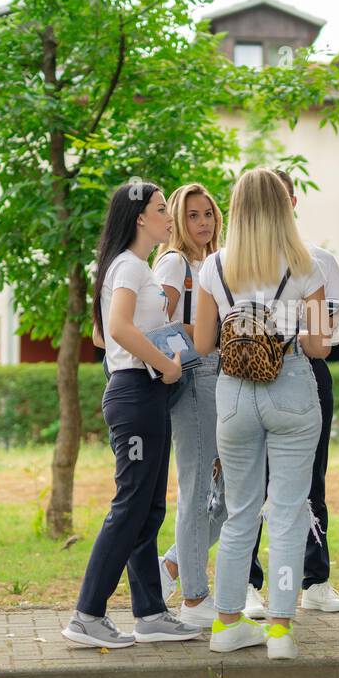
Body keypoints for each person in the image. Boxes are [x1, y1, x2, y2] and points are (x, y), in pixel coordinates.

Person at [192, 167, 333, 660]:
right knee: (290, 514)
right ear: (282, 206)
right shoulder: (306, 263)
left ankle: (228, 624)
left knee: (238, 512)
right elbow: (318, 345)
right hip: (291, 384)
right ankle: (279, 632)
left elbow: (204, 343)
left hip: (232, 394)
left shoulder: (214, 267)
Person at [62, 181, 201, 649]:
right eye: (164, 209)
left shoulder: (129, 267)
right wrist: (164, 363)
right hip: (136, 395)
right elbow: (117, 328)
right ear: (141, 217)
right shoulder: (129, 267)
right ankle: (87, 615)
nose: (170, 217)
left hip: (144, 393)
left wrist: (164, 344)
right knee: (128, 508)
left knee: (148, 508)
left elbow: (104, 336)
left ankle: (151, 614)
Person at [241, 169, 339, 616]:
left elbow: (336, 328)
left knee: (312, 478)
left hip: (309, 371)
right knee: (251, 480)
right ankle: (247, 583)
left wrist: (323, 326)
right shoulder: (237, 259)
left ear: (293, 202)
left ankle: (315, 580)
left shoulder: (318, 260)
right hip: (251, 375)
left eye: (284, 198)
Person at [152, 183, 230, 629]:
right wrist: (209, 327)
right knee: (199, 488)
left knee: (235, 492)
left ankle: (174, 564)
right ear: (178, 221)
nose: (204, 223)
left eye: (209, 214)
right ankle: (196, 601)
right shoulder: (175, 261)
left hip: (218, 375)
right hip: (194, 375)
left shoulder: (213, 262)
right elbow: (157, 321)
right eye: (193, 215)